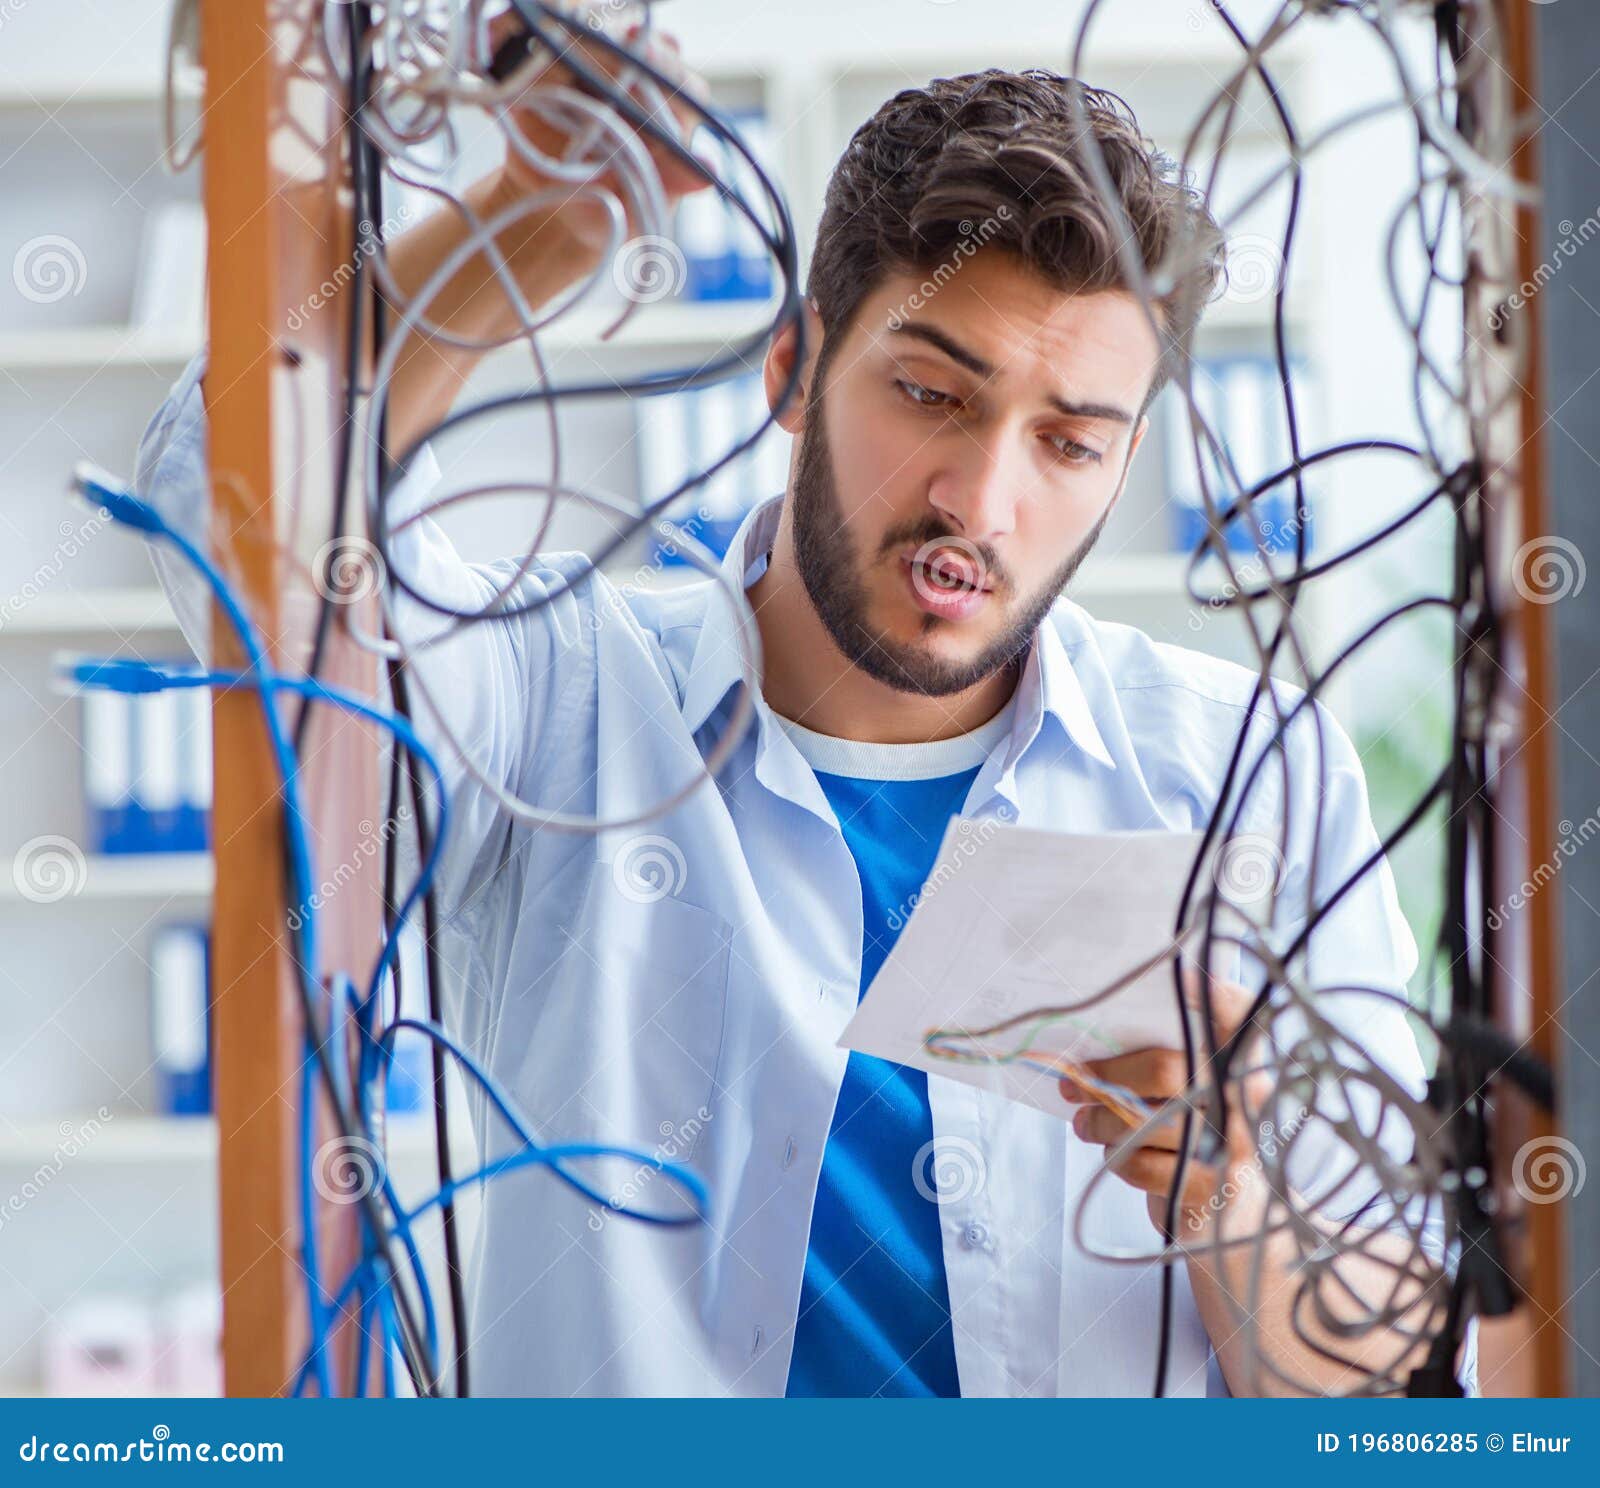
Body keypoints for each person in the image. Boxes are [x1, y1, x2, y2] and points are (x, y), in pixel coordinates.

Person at [134, 29, 1470, 1397]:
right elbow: (224, 519)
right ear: (791, 370)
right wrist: (522, 234)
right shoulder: (558, 697)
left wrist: (1229, 1196)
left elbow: (1386, 1388)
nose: (981, 501)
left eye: (1069, 443)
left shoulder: (1251, 771)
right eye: (930, 394)